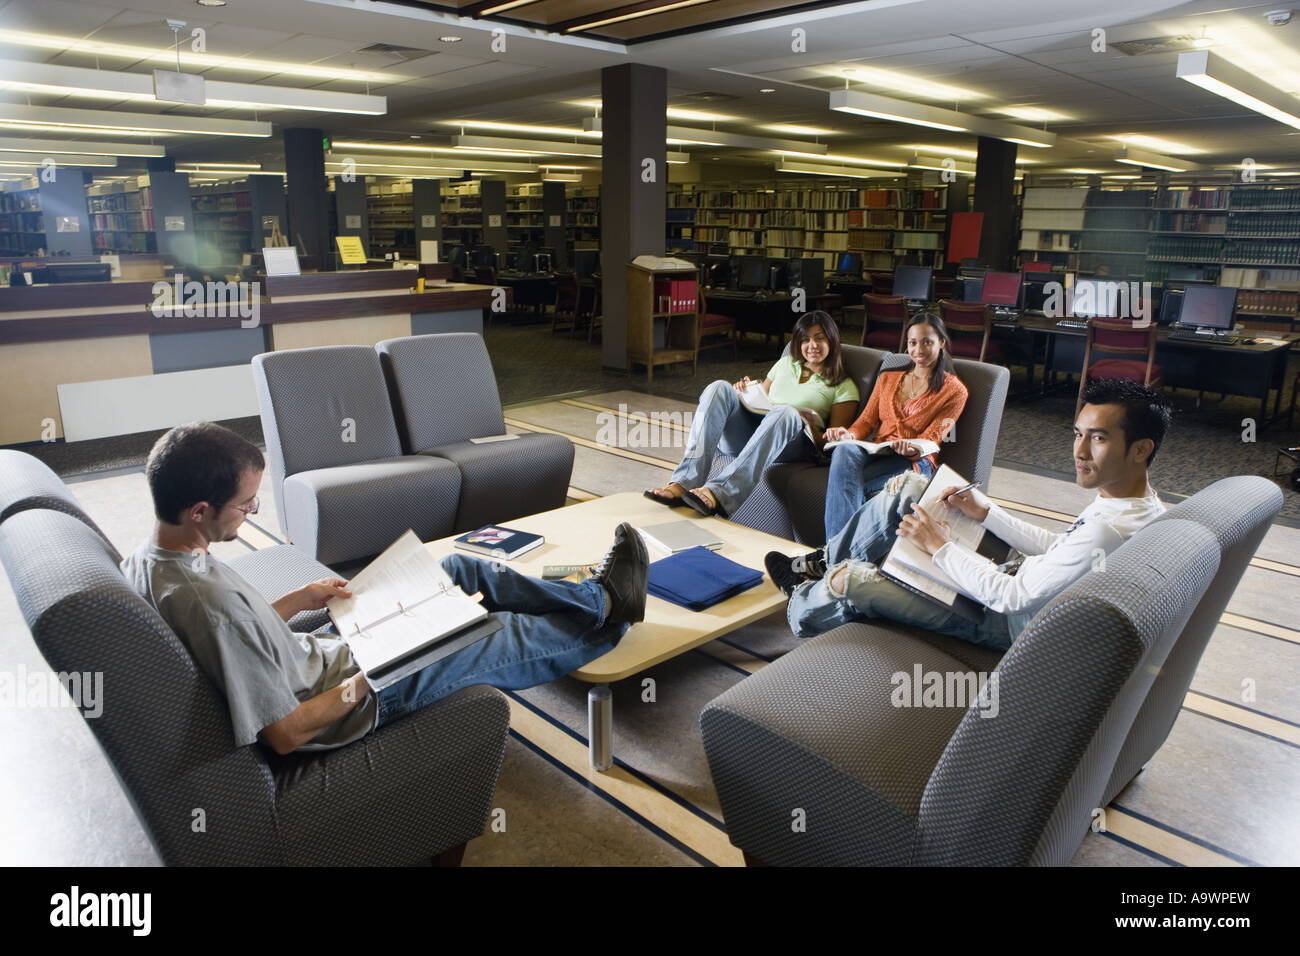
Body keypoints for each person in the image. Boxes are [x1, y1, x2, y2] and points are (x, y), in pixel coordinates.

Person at [122, 422, 649, 755]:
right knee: (497, 630)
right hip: (359, 692)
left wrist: (297, 600)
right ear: (198, 511)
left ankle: (598, 598)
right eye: (246, 504)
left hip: (335, 655)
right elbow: (284, 734)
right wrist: (379, 671)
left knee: (462, 567)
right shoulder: (206, 603)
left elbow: (242, 636)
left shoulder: (152, 558)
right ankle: (612, 620)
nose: (253, 512)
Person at [765, 379, 1172, 651]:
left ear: (1141, 449)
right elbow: (1062, 546)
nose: (1079, 452)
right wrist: (987, 511)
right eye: (1078, 434)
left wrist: (938, 547)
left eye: (1097, 438)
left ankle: (802, 600)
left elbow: (1010, 598)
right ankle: (818, 562)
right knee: (911, 489)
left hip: (1000, 617)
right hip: (1015, 574)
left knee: (851, 578)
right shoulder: (1135, 504)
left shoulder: (1110, 530)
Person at [645, 310, 860, 518]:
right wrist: (744, 392)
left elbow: (829, 445)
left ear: (832, 341)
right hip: (758, 431)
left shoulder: (843, 386)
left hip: (794, 445)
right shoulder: (785, 364)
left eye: (819, 339)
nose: (811, 346)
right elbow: (761, 401)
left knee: (784, 412)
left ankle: (721, 492)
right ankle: (684, 481)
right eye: (805, 340)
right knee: (719, 387)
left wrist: (801, 420)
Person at [821, 312, 968, 542]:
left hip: (914, 461)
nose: (918, 349)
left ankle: (833, 551)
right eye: (913, 342)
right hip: (879, 452)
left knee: (846, 485)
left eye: (927, 342)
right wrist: (848, 434)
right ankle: (842, 553)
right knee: (844, 449)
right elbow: (866, 422)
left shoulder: (955, 391)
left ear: (941, 342)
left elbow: (934, 438)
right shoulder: (888, 378)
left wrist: (912, 448)